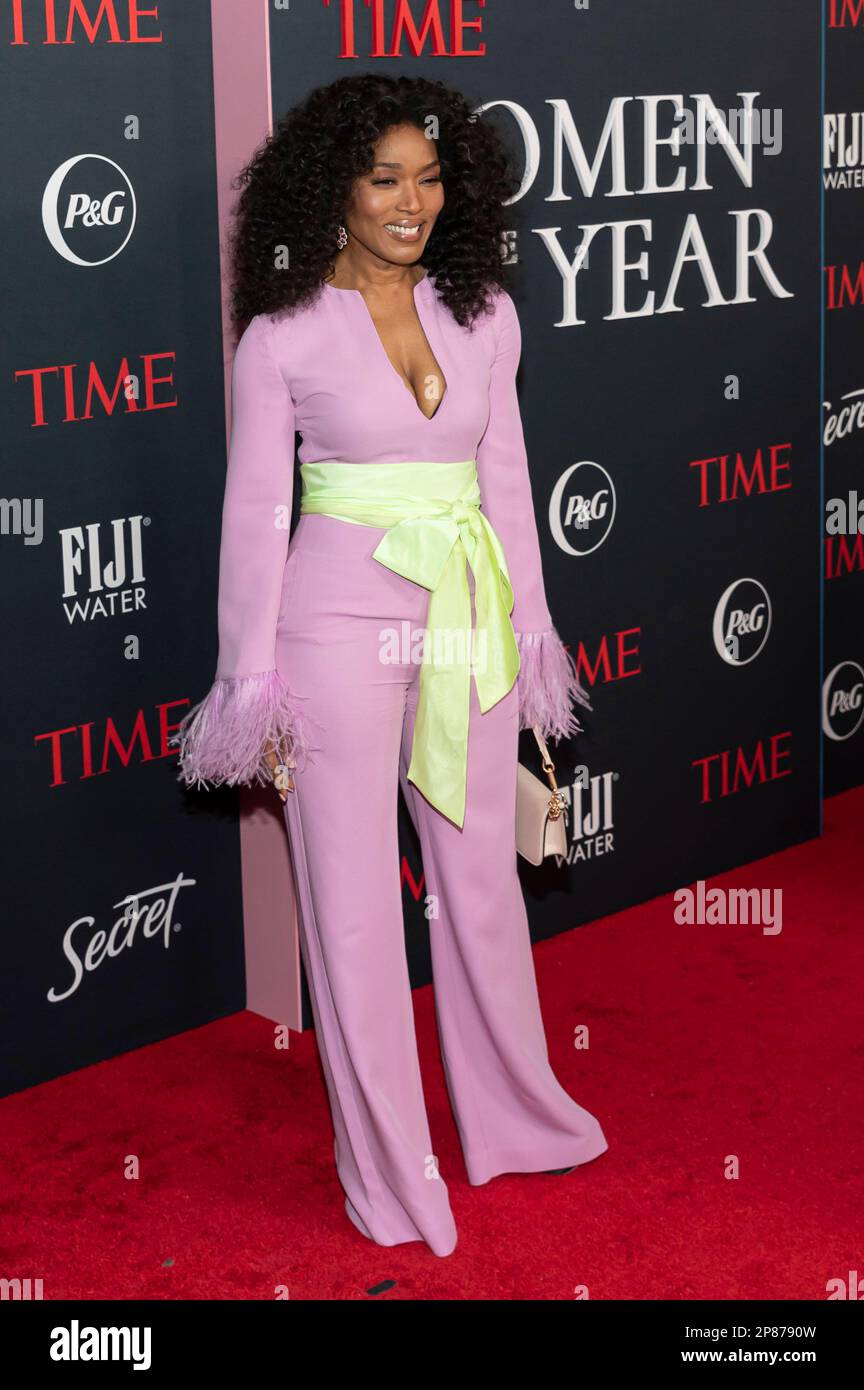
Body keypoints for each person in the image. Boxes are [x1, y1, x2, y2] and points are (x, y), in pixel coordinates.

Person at [173, 73, 607, 1258]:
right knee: (355, 908)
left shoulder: (488, 318)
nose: (411, 201)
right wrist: (244, 678)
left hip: (465, 614)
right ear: (334, 190)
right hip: (332, 627)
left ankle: (516, 1119)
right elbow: (256, 510)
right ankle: (388, 1172)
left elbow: (507, 487)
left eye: (429, 177)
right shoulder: (283, 334)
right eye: (384, 178)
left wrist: (528, 638)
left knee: (480, 883)